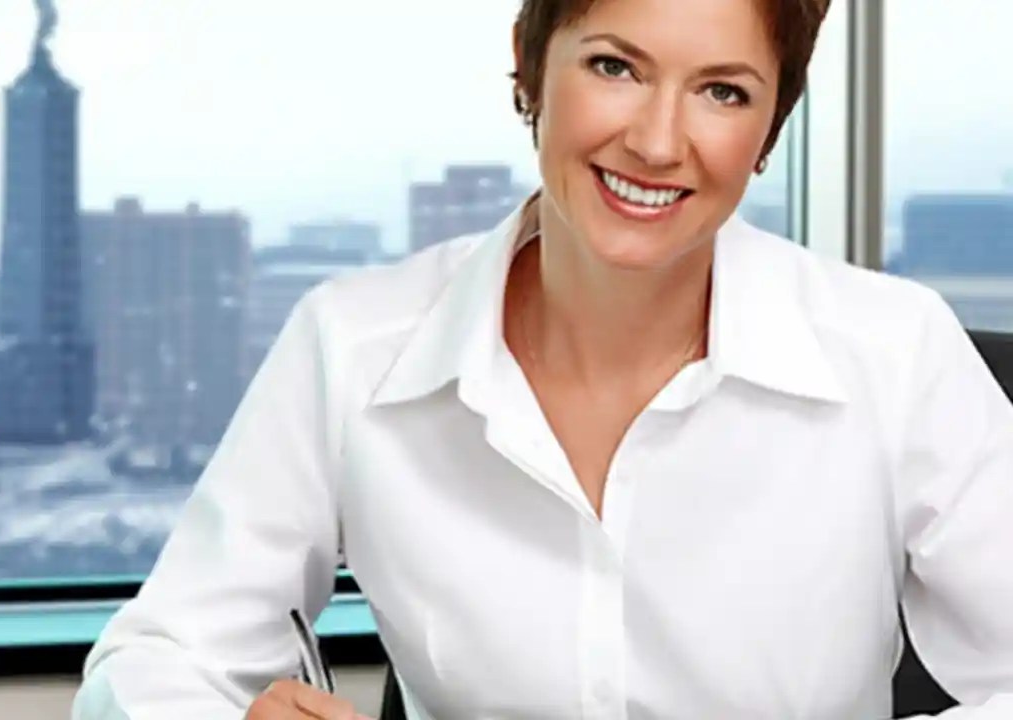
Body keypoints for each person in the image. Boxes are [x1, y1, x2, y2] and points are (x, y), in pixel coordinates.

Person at [74, 0, 1013, 717]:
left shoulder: (894, 353)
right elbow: (153, 659)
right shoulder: (355, 346)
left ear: (768, 133)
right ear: (528, 68)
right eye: (615, 66)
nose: (655, 141)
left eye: (723, 91)